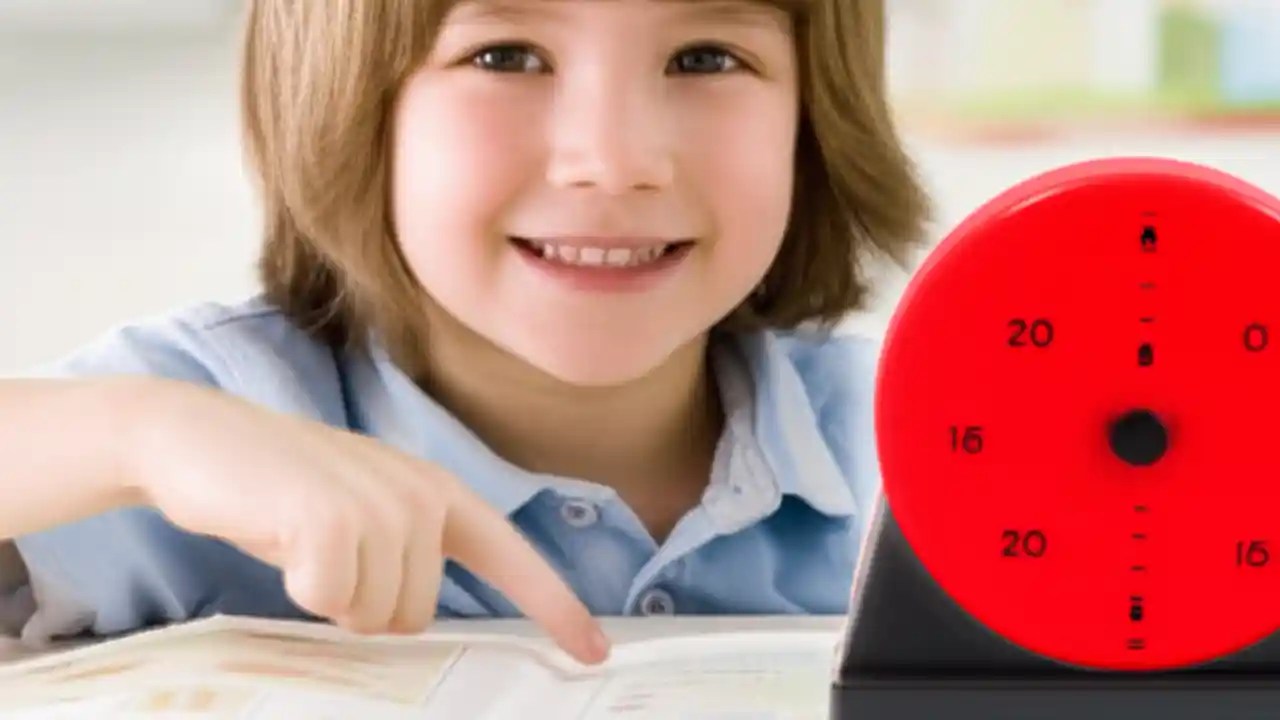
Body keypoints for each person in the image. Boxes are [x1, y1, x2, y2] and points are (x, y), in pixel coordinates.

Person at [0, 0, 928, 666]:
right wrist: (138, 435)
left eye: (707, 57)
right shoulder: (206, 418)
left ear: (813, 119)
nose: (614, 162)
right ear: (352, 102)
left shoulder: (922, 437)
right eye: (506, 55)